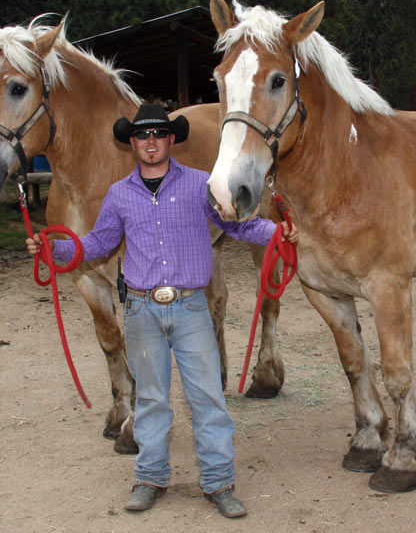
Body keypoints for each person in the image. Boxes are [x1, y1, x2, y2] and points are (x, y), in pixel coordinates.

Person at [25, 103, 298, 518]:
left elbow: (237, 225)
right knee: (151, 400)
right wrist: (54, 249)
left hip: (190, 307)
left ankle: (219, 482)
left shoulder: (201, 186)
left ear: (171, 140)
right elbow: (99, 243)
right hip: (141, 311)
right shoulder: (119, 195)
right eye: (142, 135)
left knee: (208, 399)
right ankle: (150, 478)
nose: (150, 141)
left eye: (158, 134)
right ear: (132, 143)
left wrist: (277, 232)